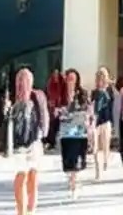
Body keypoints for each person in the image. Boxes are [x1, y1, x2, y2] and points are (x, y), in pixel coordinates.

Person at [7, 67, 49, 215]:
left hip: (35, 142)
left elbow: (44, 115)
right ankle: (21, 212)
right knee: (21, 176)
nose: (22, 84)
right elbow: (7, 121)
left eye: (25, 81)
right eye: (20, 81)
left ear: (31, 82)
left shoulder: (38, 96)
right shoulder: (11, 99)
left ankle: (31, 210)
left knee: (33, 176)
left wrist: (44, 134)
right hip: (19, 146)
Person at [58, 68, 92, 202]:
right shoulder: (61, 94)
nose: (70, 81)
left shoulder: (82, 94)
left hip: (79, 131)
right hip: (66, 132)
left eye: (73, 78)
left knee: (77, 160)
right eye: (68, 78)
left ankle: (74, 185)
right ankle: (71, 179)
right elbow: (56, 109)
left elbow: (87, 109)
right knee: (68, 160)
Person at [90, 67, 115, 181]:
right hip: (96, 121)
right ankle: (97, 172)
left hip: (106, 121)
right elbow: (92, 106)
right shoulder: (94, 92)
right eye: (98, 77)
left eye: (102, 77)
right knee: (95, 148)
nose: (99, 80)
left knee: (105, 145)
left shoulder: (109, 91)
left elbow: (113, 107)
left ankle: (105, 160)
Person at [45, 69, 65, 151]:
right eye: (54, 74)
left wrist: (60, 107)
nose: (55, 76)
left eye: (57, 74)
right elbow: (47, 95)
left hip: (59, 109)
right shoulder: (50, 83)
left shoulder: (62, 84)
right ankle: (51, 143)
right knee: (52, 125)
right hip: (51, 109)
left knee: (57, 126)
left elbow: (64, 96)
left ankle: (55, 142)